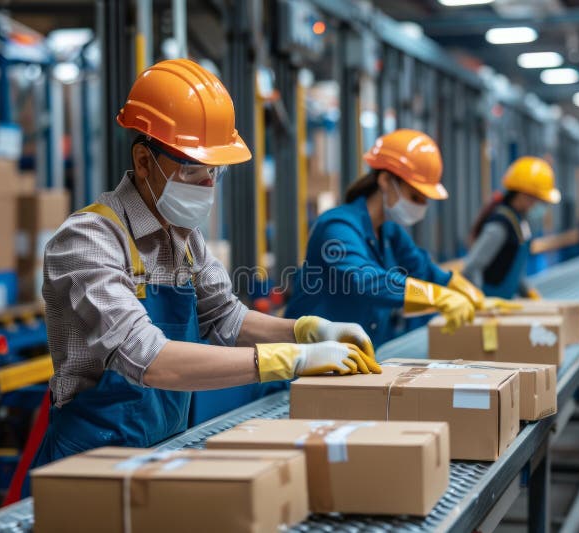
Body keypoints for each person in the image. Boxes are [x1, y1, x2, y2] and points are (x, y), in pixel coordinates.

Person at [32, 59, 379, 465]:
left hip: (161, 448)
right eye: (195, 169)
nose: (208, 185)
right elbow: (149, 358)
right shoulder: (89, 240)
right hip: (88, 462)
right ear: (144, 162)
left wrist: (305, 331)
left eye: (216, 171)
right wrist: (286, 360)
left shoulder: (185, 237)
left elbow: (225, 318)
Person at [284, 129, 482, 348]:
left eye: (425, 200)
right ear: (386, 180)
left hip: (358, 359)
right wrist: (437, 296)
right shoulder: (337, 226)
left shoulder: (389, 232)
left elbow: (424, 269)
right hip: (311, 364)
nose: (421, 207)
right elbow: (365, 280)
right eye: (415, 197)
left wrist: (471, 294)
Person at [463, 156, 561, 300]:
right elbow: (472, 268)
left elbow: (512, 269)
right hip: (490, 309)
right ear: (524, 195)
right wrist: (480, 303)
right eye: (538, 200)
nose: (540, 206)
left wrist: (527, 292)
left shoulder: (519, 222)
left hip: (502, 305)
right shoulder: (501, 224)